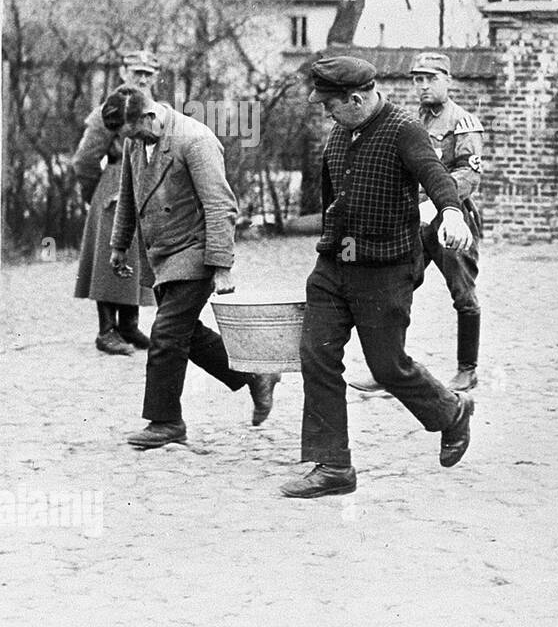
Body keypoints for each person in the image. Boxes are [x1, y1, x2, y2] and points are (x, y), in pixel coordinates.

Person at [283, 56, 475, 500]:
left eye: (330, 105)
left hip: (385, 268)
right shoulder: (342, 130)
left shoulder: (403, 129)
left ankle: (451, 412)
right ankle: (333, 465)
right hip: (335, 265)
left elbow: (435, 174)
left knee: (387, 365)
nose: (326, 113)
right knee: (317, 354)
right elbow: (333, 197)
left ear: (355, 99)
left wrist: (450, 211)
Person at [106, 85, 280, 449]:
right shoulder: (134, 142)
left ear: (149, 117)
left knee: (167, 333)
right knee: (187, 334)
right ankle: (255, 374)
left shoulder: (195, 140)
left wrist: (221, 265)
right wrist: (119, 245)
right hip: (163, 253)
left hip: (195, 250)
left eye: (135, 132)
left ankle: (166, 421)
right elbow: (130, 197)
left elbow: (221, 205)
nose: (133, 140)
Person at [350, 50, 484, 395]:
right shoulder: (411, 122)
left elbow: (469, 175)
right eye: (418, 79)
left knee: (463, 292)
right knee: (397, 285)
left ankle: (467, 369)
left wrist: (439, 204)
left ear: (448, 81)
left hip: (451, 220)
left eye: (431, 79)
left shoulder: (462, 124)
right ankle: (388, 367)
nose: (423, 86)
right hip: (413, 218)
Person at [72, 50, 159, 355]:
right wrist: (95, 195)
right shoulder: (105, 114)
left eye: (149, 73)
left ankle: (129, 325)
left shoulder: (158, 111)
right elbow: (84, 161)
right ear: (123, 73)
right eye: (137, 72)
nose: (143, 78)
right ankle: (106, 330)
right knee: (110, 257)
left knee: (137, 256)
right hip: (113, 185)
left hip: (144, 186)